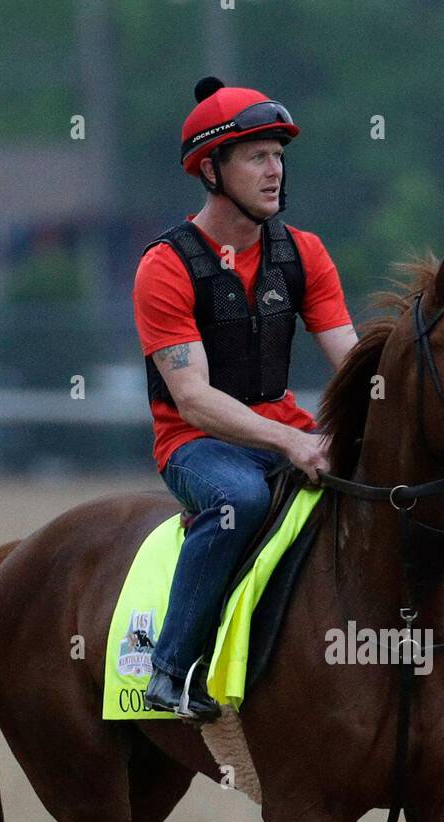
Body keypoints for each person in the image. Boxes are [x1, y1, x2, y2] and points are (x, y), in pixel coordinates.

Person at [132, 76, 358, 720]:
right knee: (240, 499)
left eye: (279, 156)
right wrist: (292, 439)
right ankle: (170, 670)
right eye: (257, 156)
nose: (275, 171)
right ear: (210, 169)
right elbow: (194, 400)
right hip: (197, 444)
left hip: (287, 427)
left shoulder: (305, 253)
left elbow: (353, 360)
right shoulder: (166, 266)